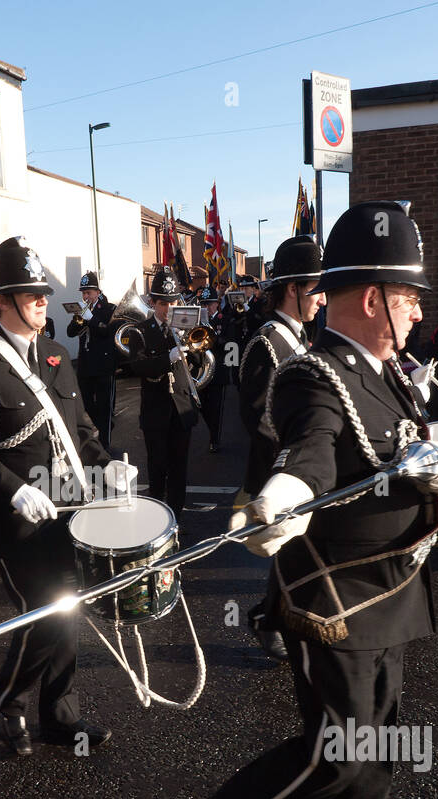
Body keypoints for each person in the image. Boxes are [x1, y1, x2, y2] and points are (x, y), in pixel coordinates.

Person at [191, 201, 438, 799]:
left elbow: (401, 447)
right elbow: (309, 449)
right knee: (337, 751)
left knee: (380, 743)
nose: (414, 312)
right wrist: (279, 495)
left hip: (392, 588)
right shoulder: (315, 374)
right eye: (407, 298)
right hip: (334, 598)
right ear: (374, 296)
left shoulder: (391, 368)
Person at [0, 236, 133, 755]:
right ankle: (10, 700)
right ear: (1, 302)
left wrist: (108, 466)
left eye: (43, 292)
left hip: (70, 511)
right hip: (17, 523)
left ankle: (60, 716)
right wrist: (14, 490)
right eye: (29, 294)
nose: (41, 301)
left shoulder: (54, 353)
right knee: (46, 610)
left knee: (69, 611)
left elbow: (82, 431)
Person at [237, 235, 325, 662]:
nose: (322, 299)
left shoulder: (298, 338)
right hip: (280, 473)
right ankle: (269, 619)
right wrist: (295, 463)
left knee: (296, 554)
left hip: (301, 470)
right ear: (293, 289)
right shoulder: (266, 343)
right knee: (291, 552)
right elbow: (258, 419)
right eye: (316, 288)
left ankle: (271, 617)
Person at [122, 265, 202, 521]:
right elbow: (138, 365)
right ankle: (157, 520)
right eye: (163, 303)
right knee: (157, 469)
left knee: (180, 469)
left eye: (173, 301)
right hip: (156, 411)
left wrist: (193, 346)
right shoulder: (140, 331)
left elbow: (201, 361)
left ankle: (176, 518)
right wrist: (168, 356)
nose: (169, 308)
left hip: (181, 410)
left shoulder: (184, 325)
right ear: (152, 302)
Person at [66, 271, 117, 450]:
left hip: (103, 366)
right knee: (86, 403)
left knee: (105, 407)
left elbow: (106, 331)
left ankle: (106, 445)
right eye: (83, 293)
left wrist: (91, 319)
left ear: (97, 291)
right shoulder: (83, 310)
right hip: (85, 365)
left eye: (89, 292)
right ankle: (104, 427)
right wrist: (79, 318)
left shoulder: (110, 309)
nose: (86, 296)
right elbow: (70, 332)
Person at [195, 286, 229, 453]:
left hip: (219, 371)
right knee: (201, 404)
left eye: (209, 304)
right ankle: (211, 430)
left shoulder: (224, 320)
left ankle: (214, 439)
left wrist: (231, 371)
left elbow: (231, 345)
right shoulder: (198, 323)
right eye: (203, 304)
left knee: (216, 408)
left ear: (217, 304)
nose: (207, 308)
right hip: (202, 371)